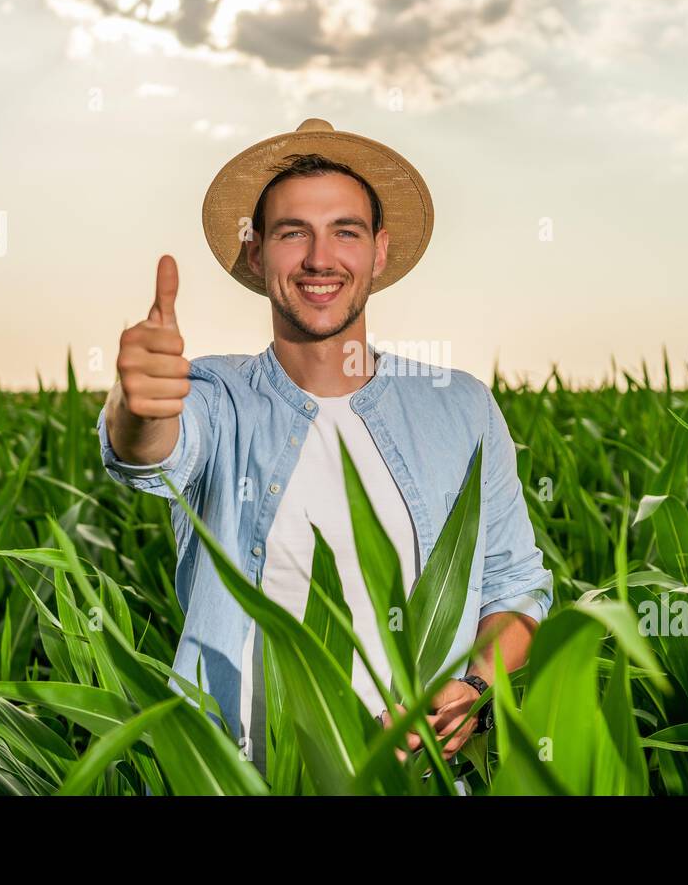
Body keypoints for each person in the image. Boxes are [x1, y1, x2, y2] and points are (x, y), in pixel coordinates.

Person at [96, 118, 553, 780]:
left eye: (345, 230)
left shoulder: (460, 408)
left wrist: (478, 689)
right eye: (291, 233)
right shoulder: (218, 397)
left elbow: (515, 589)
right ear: (256, 255)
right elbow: (152, 451)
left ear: (379, 251)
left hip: (417, 781)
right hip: (239, 777)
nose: (319, 258)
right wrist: (135, 403)